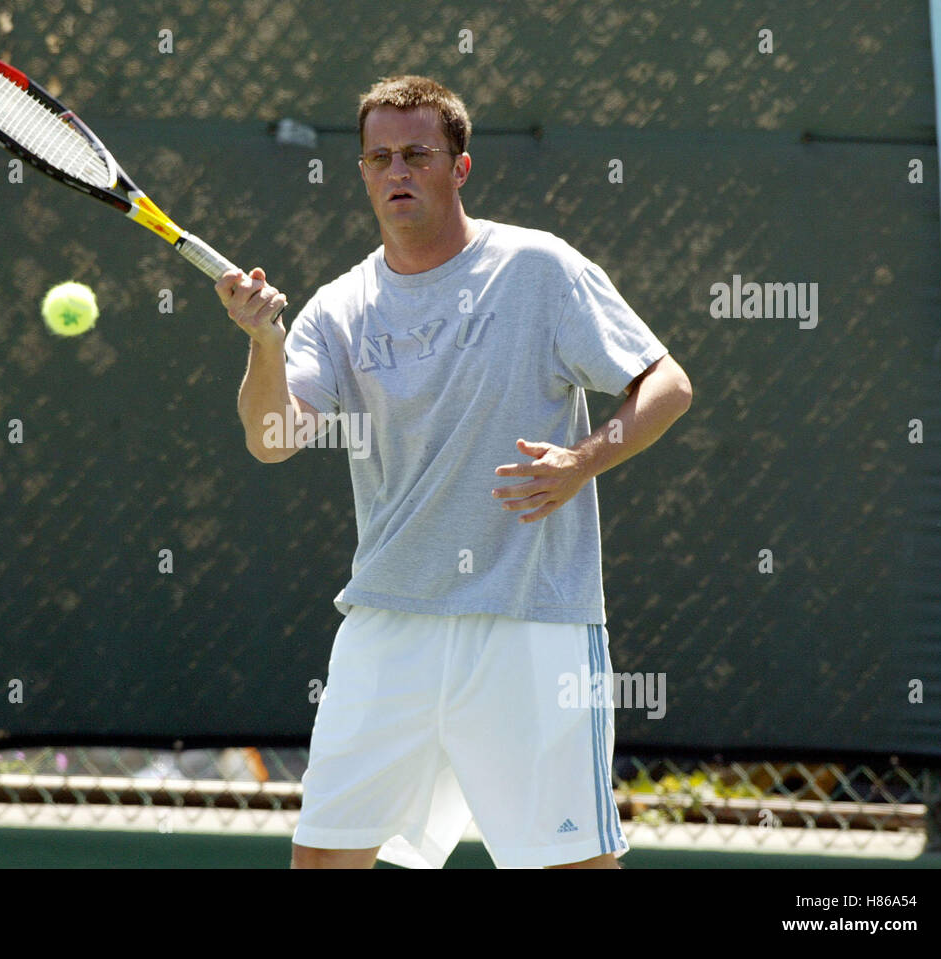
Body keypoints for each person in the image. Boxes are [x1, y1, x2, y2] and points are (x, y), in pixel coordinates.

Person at [215, 75, 692, 869]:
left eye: (416, 154)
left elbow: (667, 383)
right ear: (363, 172)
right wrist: (264, 344)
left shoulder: (540, 269)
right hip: (387, 627)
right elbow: (272, 437)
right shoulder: (338, 307)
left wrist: (583, 460)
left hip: (528, 623)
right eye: (378, 157)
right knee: (325, 861)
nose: (396, 171)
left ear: (459, 167)